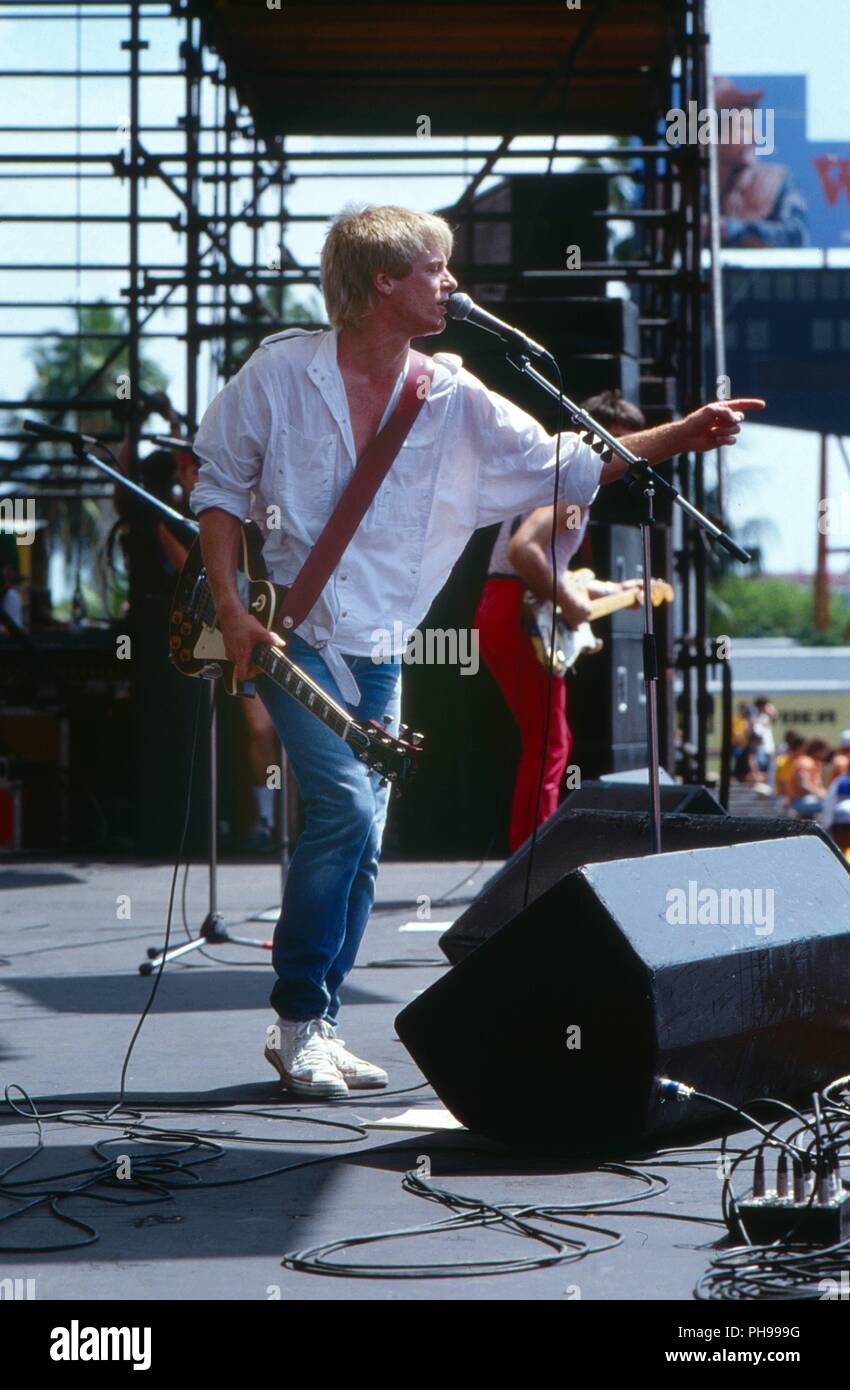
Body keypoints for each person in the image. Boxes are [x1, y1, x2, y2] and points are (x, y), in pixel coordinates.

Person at [190, 202, 765, 1099]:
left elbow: (566, 460)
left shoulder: (450, 394)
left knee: (366, 842)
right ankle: (299, 1016)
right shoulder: (279, 372)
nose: (452, 284)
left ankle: (321, 1022)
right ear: (385, 282)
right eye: (436, 269)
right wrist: (230, 607)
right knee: (342, 813)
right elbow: (218, 487)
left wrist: (679, 435)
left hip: (383, 650)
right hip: (294, 640)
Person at [475, 390, 646, 852]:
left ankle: (529, 851)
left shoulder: (552, 476)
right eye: (624, 447)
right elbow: (524, 551)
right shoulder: (573, 483)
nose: (628, 461)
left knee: (548, 737)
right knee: (550, 740)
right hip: (516, 609)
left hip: (506, 603)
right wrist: (572, 604)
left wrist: (607, 592)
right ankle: (533, 856)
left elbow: (550, 568)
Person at [786, 737, 828, 819]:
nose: (826, 753)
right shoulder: (805, 762)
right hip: (798, 801)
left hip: (806, 800)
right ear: (817, 750)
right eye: (824, 750)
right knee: (830, 804)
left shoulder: (814, 763)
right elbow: (803, 785)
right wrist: (819, 793)